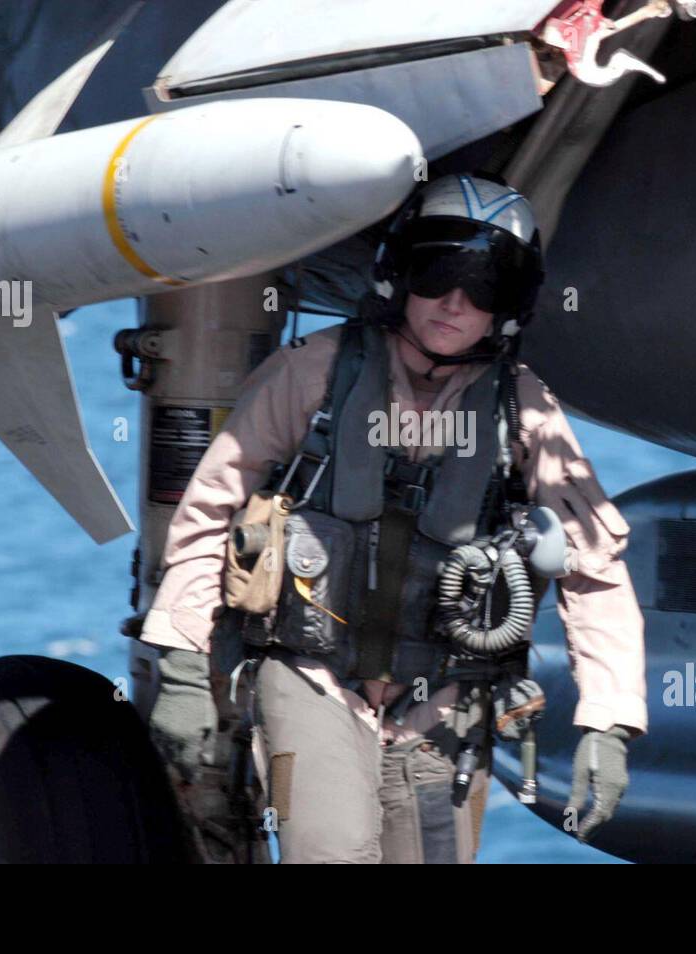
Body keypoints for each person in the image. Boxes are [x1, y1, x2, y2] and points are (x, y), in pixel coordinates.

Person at [137, 173, 647, 864]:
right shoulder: (315, 374)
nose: (455, 303)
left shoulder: (521, 410)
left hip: (444, 703)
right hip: (311, 674)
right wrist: (184, 664)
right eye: (438, 275)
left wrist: (608, 723)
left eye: (484, 288)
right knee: (333, 852)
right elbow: (211, 508)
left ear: (509, 306)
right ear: (399, 275)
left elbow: (596, 567)